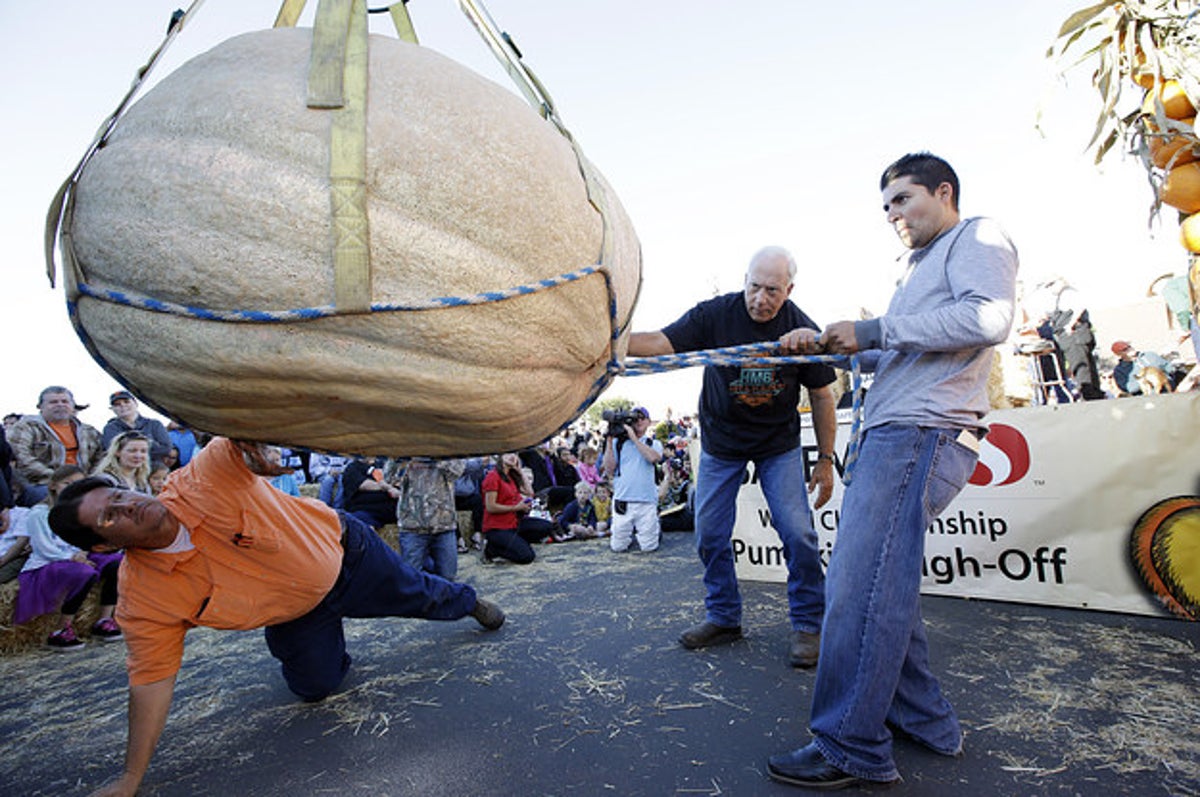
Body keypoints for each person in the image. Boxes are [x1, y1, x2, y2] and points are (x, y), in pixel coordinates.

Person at [47, 437, 505, 796]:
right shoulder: (144, 598)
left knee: (422, 595)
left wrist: (258, 449)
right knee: (314, 687)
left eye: (118, 495)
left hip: (348, 555)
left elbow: (237, 433)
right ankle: (330, 644)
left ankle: (469, 602)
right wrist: (131, 778)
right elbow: (150, 682)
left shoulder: (201, 480)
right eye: (110, 517)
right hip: (295, 612)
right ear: (104, 547)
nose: (128, 506)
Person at [766, 152, 1018, 789]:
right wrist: (832, 341)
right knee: (882, 583)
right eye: (885, 207)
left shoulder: (977, 236)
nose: (893, 215)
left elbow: (990, 317)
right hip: (896, 433)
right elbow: (903, 346)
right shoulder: (918, 268)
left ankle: (850, 745)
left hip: (920, 434)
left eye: (903, 199)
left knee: (861, 586)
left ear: (944, 191)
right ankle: (925, 721)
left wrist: (877, 327)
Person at [627, 245, 838, 668]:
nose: (761, 299)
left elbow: (821, 395)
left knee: (798, 533)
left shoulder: (802, 330)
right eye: (754, 287)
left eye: (773, 291)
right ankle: (724, 617)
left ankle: (809, 624)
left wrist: (826, 460)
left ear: (789, 289)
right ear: (744, 280)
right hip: (722, 445)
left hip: (777, 444)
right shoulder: (715, 315)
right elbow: (661, 343)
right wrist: (612, 340)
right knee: (708, 533)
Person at [14, 465, 124, 649]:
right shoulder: (39, 513)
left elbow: (82, 539)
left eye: (79, 483)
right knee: (84, 573)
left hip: (77, 554)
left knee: (116, 563)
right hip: (51, 560)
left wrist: (82, 551)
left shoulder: (78, 511)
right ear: (53, 486)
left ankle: (104, 619)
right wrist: (73, 556)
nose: (73, 487)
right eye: (67, 483)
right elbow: (44, 548)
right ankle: (62, 628)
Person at [8, 386, 104, 507]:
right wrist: (59, 480)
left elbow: (102, 458)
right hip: (41, 484)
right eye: (53, 402)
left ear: (73, 405)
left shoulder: (89, 431)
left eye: (65, 401)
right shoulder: (25, 427)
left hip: (84, 483)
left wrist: (88, 479)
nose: (60, 405)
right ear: (40, 407)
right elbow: (21, 458)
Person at [602, 407, 664, 553]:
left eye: (643, 418)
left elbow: (653, 458)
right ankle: (634, 536)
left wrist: (633, 438)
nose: (639, 421)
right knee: (617, 547)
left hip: (646, 501)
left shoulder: (653, 443)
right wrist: (609, 442)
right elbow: (609, 469)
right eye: (636, 418)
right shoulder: (619, 443)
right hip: (623, 500)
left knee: (649, 547)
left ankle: (654, 530)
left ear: (649, 422)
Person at [395, 458, 465, 580]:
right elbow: (389, 478)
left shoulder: (448, 449)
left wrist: (435, 456)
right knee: (411, 579)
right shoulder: (404, 450)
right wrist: (403, 459)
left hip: (444, 525)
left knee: (448, 576)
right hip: (412, 526)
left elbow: (457, 472)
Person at [480, 452, 555, 564]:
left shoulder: (511, 476)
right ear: (500, 457)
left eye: (515, 454)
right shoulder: (493, 477)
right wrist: (516, 507)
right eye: (508, 453)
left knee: (546, 527)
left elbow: (530, 493)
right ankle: (493, 549)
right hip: (497, 527)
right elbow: (490, 507)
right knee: (527, 557)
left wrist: (520, 471)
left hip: (514, 523)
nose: (512, 456)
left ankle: (515, 543)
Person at [101, 391, 172, 464]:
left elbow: (166, 449)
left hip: (153, 469)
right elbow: (112, 450)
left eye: (126, 402)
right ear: (112, 409)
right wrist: (150, 445)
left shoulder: (155, 424)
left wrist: (129, 449)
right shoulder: (110, 428)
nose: (122, 405)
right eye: (117, 404)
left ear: (136, 403)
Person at [1111, 340, 1176, 394]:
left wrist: (1174, 366)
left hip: (1168, 388)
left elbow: (1168, 367)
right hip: (1148, 396)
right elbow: (1129, 388)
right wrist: (1144, 379)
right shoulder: (1119, 370)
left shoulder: (1149, 355)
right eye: (1125, 349)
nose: (1129, 349)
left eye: (1129, 347)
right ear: (1119, 354)